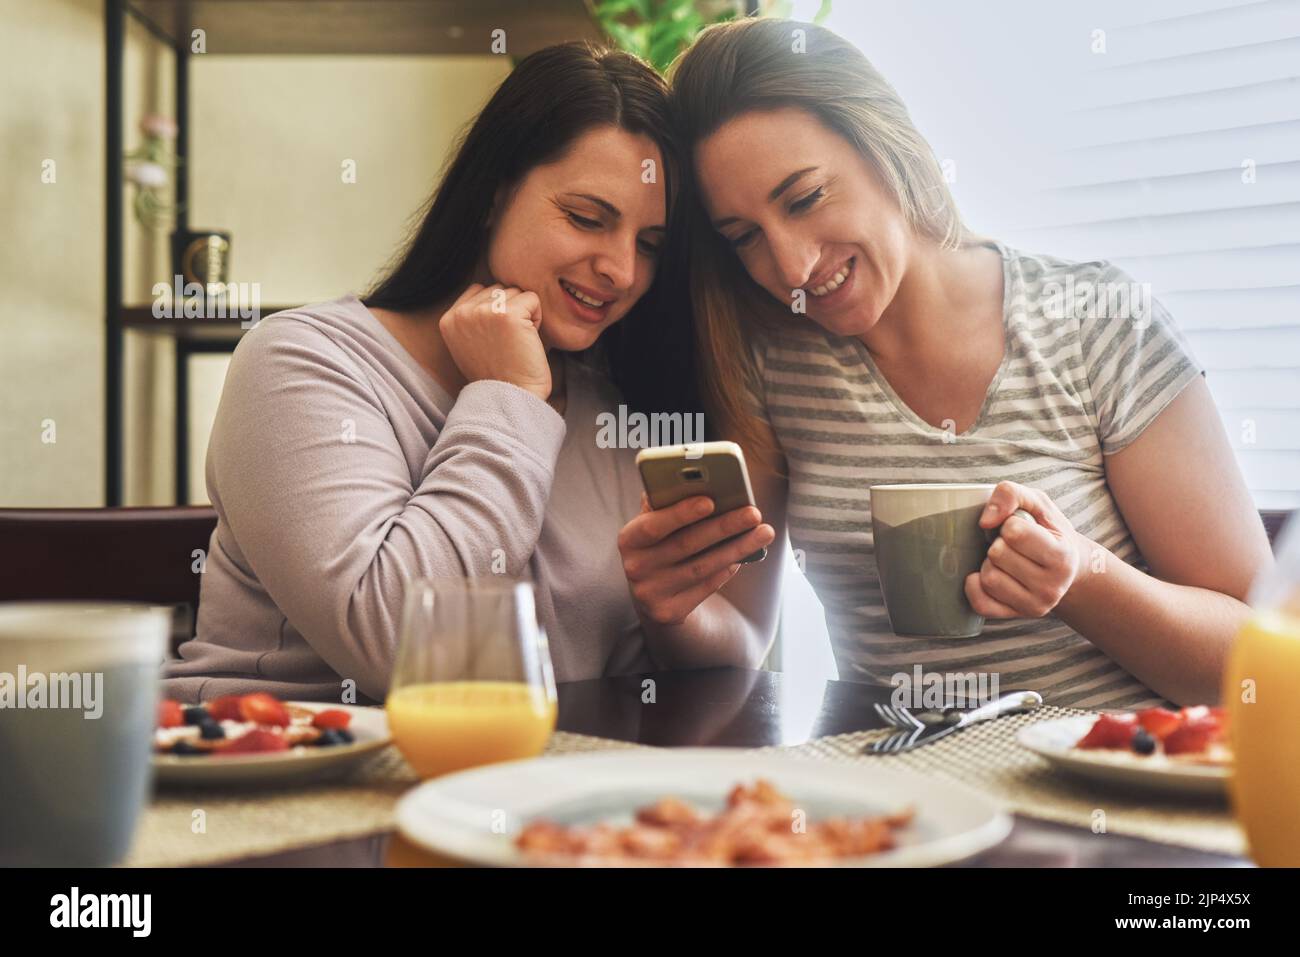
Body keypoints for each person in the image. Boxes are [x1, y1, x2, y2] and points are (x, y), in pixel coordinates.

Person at [663, 18, 1272, 708]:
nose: (793, 266)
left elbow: (1256, 665)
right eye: (745, 238)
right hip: (903, 797)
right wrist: (674, 606)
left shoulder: (1099, 320)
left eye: (805, 198)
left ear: (884, 144)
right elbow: (739, 636)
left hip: (1109, 786)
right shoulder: (772, 363)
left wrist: (1082, 577)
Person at [164, 42, 774, 705]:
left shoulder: (613, 403)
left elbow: (707, 671)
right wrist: (507, 395)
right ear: (493, 194)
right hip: (285, 779)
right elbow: (399, 646)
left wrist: (671, 613)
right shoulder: (298, 362)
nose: (622, 271)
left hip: (528, 786)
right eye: (586, 218)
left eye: (648, 245)